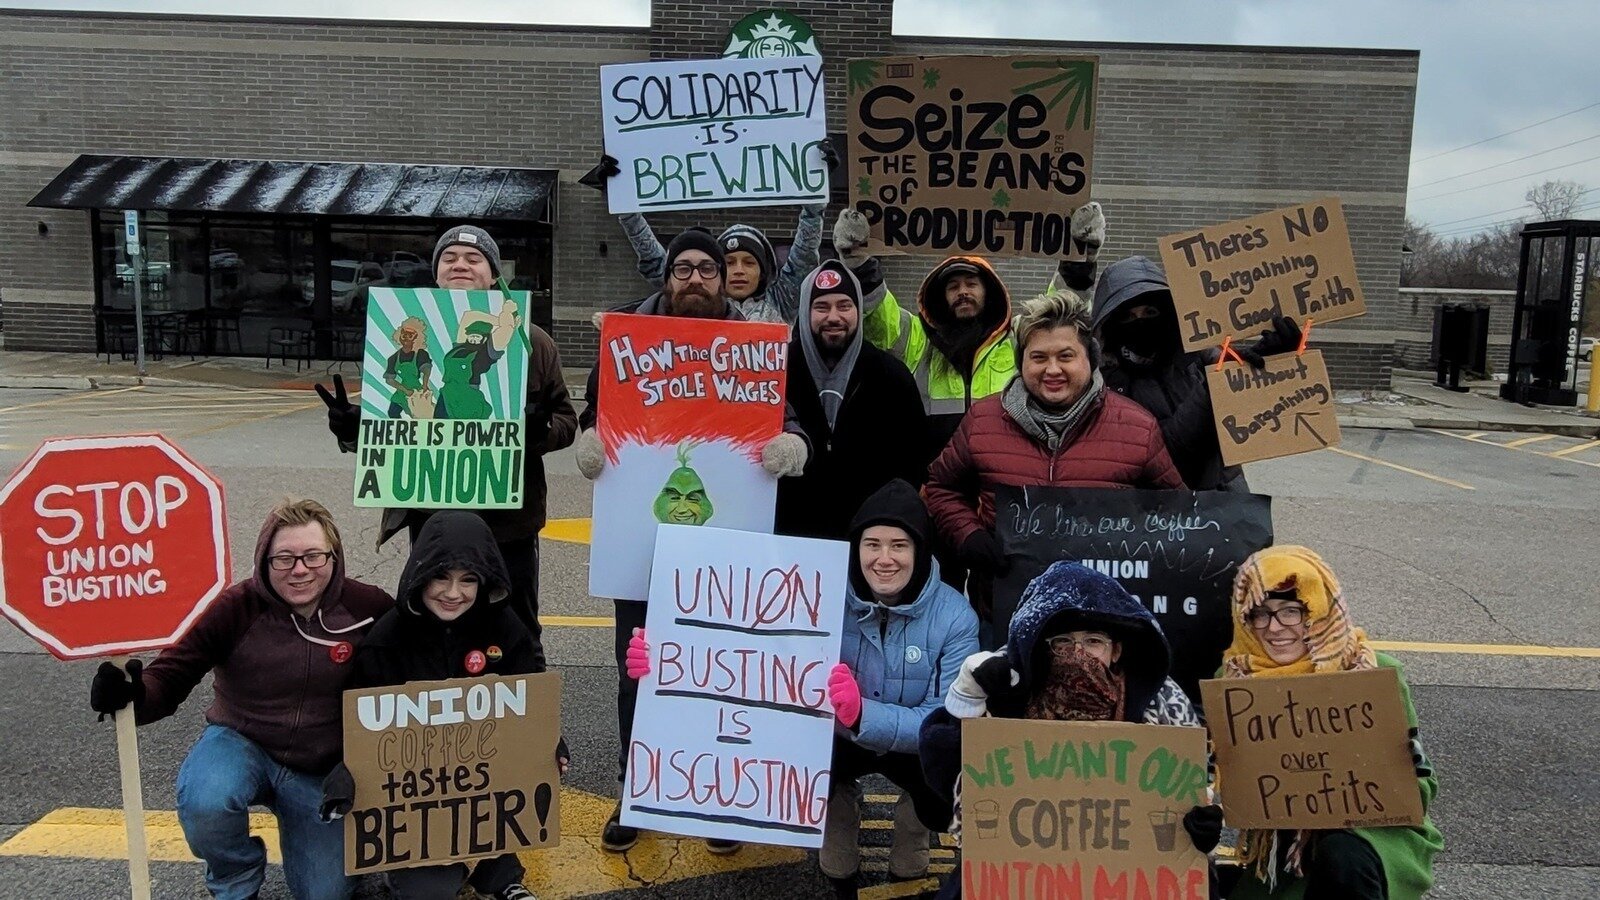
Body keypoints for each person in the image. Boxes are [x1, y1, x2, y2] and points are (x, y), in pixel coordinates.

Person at [573, 228, 811, 855]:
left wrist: (794, 445)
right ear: (667, 276)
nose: (697, 278)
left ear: (725, 280)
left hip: (724, 553)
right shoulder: (627, 341)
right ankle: (636, 789)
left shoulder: (757, 349)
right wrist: (592, 446)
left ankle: (715, 797)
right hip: (641, 551)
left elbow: (788, 418)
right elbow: (595, 414)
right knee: (638, 674)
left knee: (716, 675)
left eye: (709, 268)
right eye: (685, 267)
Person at [88, 499, 393, 900]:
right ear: (264, 561)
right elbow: (172, 674)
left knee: (326, 891)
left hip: (324, 768)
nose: (300, 570)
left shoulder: (370, 608)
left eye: (313, 556)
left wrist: (361, 765)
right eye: (283, 559)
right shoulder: (234, 607)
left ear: (334, 557)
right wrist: (135, 693)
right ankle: (236, 877)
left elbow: (412, 670)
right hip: (242, 741)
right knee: (206, 799)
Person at [315, 225, 577, 670]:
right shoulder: (400, 332)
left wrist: (540, 431)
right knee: (431, 620)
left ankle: (529, 726)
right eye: (449, 257)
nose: (460, 264)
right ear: (436, 273)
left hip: (509, 520)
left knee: (515, 627)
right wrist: (353, 429)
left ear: (493, 275)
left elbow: (567, 420)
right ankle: (441, 719)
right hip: (431, 512)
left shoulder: (531, 341)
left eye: (473, 259)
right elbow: (393, 422)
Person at [917, 561, 1214, 899]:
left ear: (1116, 650)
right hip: (1023, 873)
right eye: (1063, 642)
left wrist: (1200, 831)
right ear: (1043, 647)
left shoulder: (1160, 705)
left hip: (1121, 879)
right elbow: (944, 777)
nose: (1078, 655)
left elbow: (1187, 801)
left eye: (1093, 641)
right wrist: (965, 699)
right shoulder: (1011, 688)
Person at [320, 511, 566, 900]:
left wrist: (551, 743)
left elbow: (532, 700)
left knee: (501, 814)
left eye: (468, 580)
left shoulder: (506, 628)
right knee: (429, 891)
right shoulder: (388, 639)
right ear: (420, 574)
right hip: (416, 808)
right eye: (441, 577)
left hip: (484, 791)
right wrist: (347, 771)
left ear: (486, 581)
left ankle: (500, 875)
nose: (454, 593)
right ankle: (406, 871)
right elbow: (360, 726)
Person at [923, 290, 1184, 638]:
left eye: (1066, 356)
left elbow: (1177, 515)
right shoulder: (983, 420)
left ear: (1089, 359)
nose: (1052, 370)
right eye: (1038, 357)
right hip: (1003, 613)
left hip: (1100, 627)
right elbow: (941, 486)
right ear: (1022, 362)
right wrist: (968, 535)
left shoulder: (1138, 427)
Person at [1214, 545, 1443, 900]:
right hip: (1284, 849)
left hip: (1373, 836)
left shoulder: (1373, 672)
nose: (1274, 628)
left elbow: (1422, 789)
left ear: (1320, 611)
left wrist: (1401, 768)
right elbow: (1226, 784)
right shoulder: (1235, 683)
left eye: (1292, 611)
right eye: (1260, 614)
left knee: (1343, 857)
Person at [821, 479, 978, 894]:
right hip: (838, 735)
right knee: (813, 768)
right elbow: (760, 656)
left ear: (920, 551)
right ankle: (837, 855)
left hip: (913, 742)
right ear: (856, 550)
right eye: (872, 544)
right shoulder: (820, 595)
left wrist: (862, 715)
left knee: (947, 763)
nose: (884, 559)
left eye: (899, 545)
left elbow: (946, 715)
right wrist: (674, 655)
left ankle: (911, 849)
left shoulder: (956, 616)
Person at [1093, 256, 1302, 491]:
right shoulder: (1103, 384)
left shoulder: (1202, 357)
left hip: (1220, 504)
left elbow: (1265, 417)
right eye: (1128, 316)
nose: (1140, 323)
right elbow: (1164, 450)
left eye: (1150, 312)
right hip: (1152, 514)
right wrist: (1214, 388)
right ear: (1111, 322)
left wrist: (1276, 360)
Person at [585, 152, 830, 324]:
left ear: (764, 271)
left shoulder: (782, 301)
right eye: (730, 262)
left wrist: (814, 201)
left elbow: (804, 255)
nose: (739, 271)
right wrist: (625, 201)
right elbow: (653, 255)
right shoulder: (700, 301)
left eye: (749, 262)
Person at [779, 259, 928, 540]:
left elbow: (913, 463)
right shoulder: (778, 372)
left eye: (844, 306)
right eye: (821, 307)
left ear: (858, 310)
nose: (833, 317)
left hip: (868, 543)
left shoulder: (890, 376)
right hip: (790, 540)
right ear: (804, 311)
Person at [383, 316, 433, 418]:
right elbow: (389, 380)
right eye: (404, 334)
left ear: (416, 337)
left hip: (416, 391)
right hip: (402, 391)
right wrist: (405, 390)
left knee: (419, 416)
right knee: (393, 412)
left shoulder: (421, 354)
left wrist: (425, 384)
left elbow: (426, 370)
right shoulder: (393, 358)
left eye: (411, 335)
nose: (406, 337)